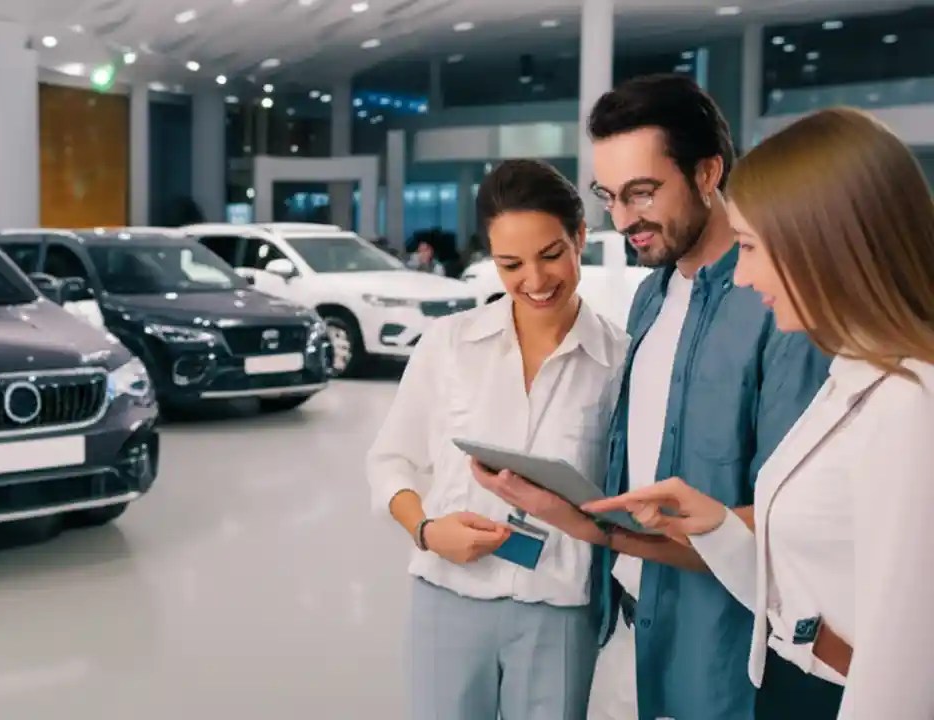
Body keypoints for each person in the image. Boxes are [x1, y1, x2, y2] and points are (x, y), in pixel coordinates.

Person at [468, 74, 832, 720]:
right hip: (627, 636)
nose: (624, 218)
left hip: (722, 655)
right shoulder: (649, 298)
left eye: (642, 193)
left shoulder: (781, 311)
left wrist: (596, 530)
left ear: (708, 172)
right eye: (610, 197)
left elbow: (785, 525)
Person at [584, 106, 934, 719]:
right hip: (786, 676)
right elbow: (799, 574)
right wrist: (716, 523)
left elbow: (906, 652)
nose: (740, 275)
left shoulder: (910, 407)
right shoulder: (854, 377)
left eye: (749, 247)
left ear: (826, 246)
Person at [366, 159, 629, 720]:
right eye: (511, 264)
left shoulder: (617, 361)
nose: (534, 281)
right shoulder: (450, 344)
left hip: (559, 612)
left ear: (580, 236)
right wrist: (427, 530)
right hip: (450, 597)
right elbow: (390, 461)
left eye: (551, 254)